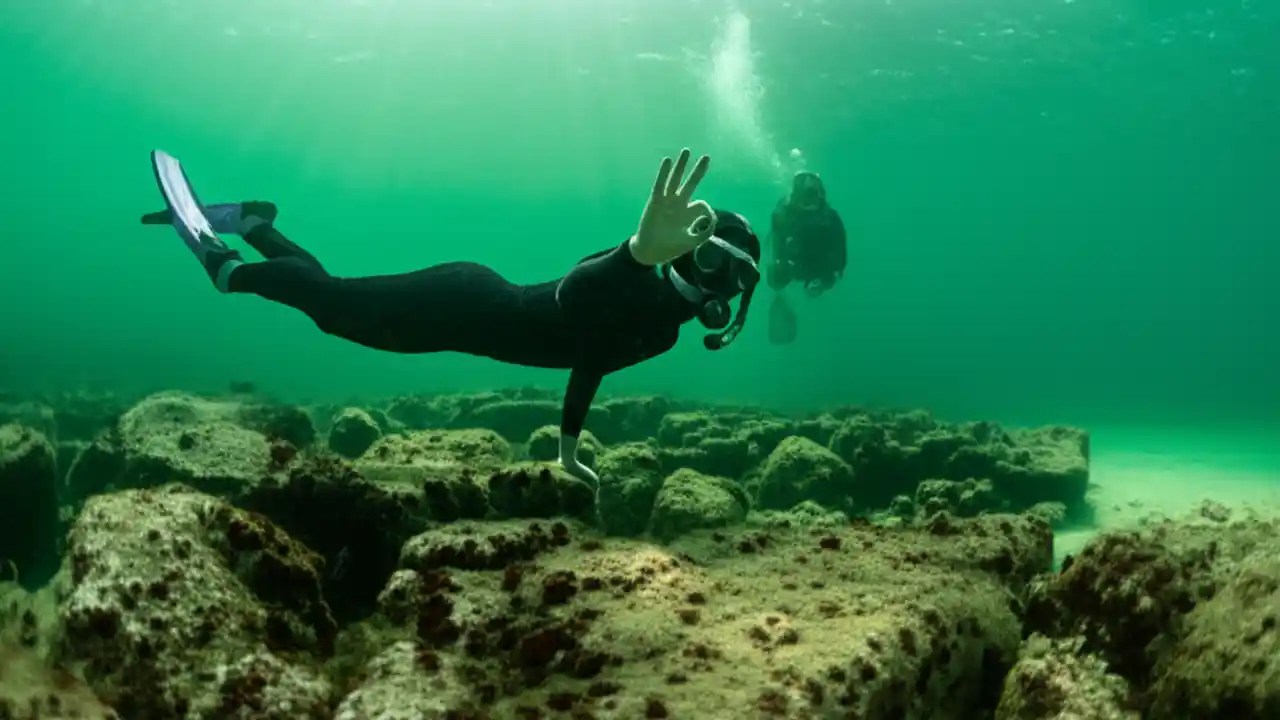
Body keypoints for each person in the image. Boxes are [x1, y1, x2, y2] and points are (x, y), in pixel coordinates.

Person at [140, 148, 761, 487]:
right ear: (685, 247)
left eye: (729, 272)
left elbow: (589, 360)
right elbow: (573, 293)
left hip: (465, 314)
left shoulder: (664, 331)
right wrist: (634, 253)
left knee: (332, 301)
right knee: (332, 308)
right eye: (706, 253)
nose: (711, 275)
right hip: (462, 306)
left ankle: (256, 223)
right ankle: (228, 268)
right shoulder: (638, 281)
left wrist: (568, 449)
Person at [764, 171, 847, 345]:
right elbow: (773, 246)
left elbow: (839, 257)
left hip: (819, 268)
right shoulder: (783, 215)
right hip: (792, 266)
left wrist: (822, 278)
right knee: (776, 279)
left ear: (821, 195)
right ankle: (786, 307)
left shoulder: (830, 219)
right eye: (804, 196)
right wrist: (780, 264)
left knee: (823, 281)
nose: (808, 203)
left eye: (812, 196)